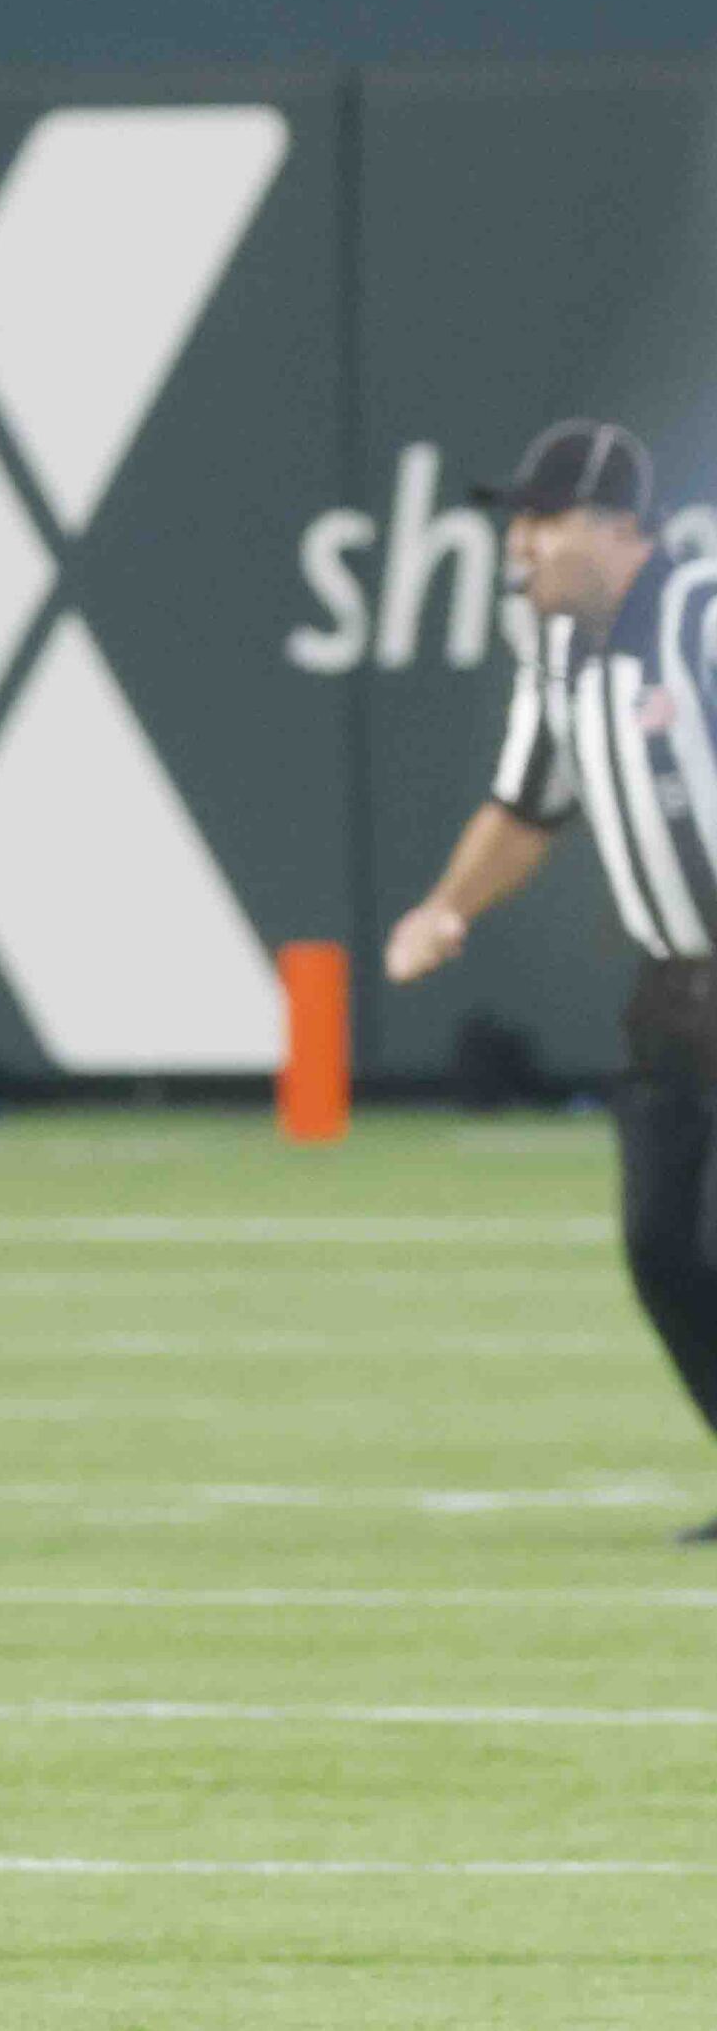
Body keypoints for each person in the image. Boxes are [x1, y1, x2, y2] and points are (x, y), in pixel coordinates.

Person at [384, 422, 717, 1547]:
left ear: (619, 528)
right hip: (674, 991)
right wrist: (445, 908)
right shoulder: (558, 652)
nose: (519, 544)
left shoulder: (702, 614)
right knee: (663, 1246)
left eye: (542, 519)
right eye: (514, 521)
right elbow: (529, 804)